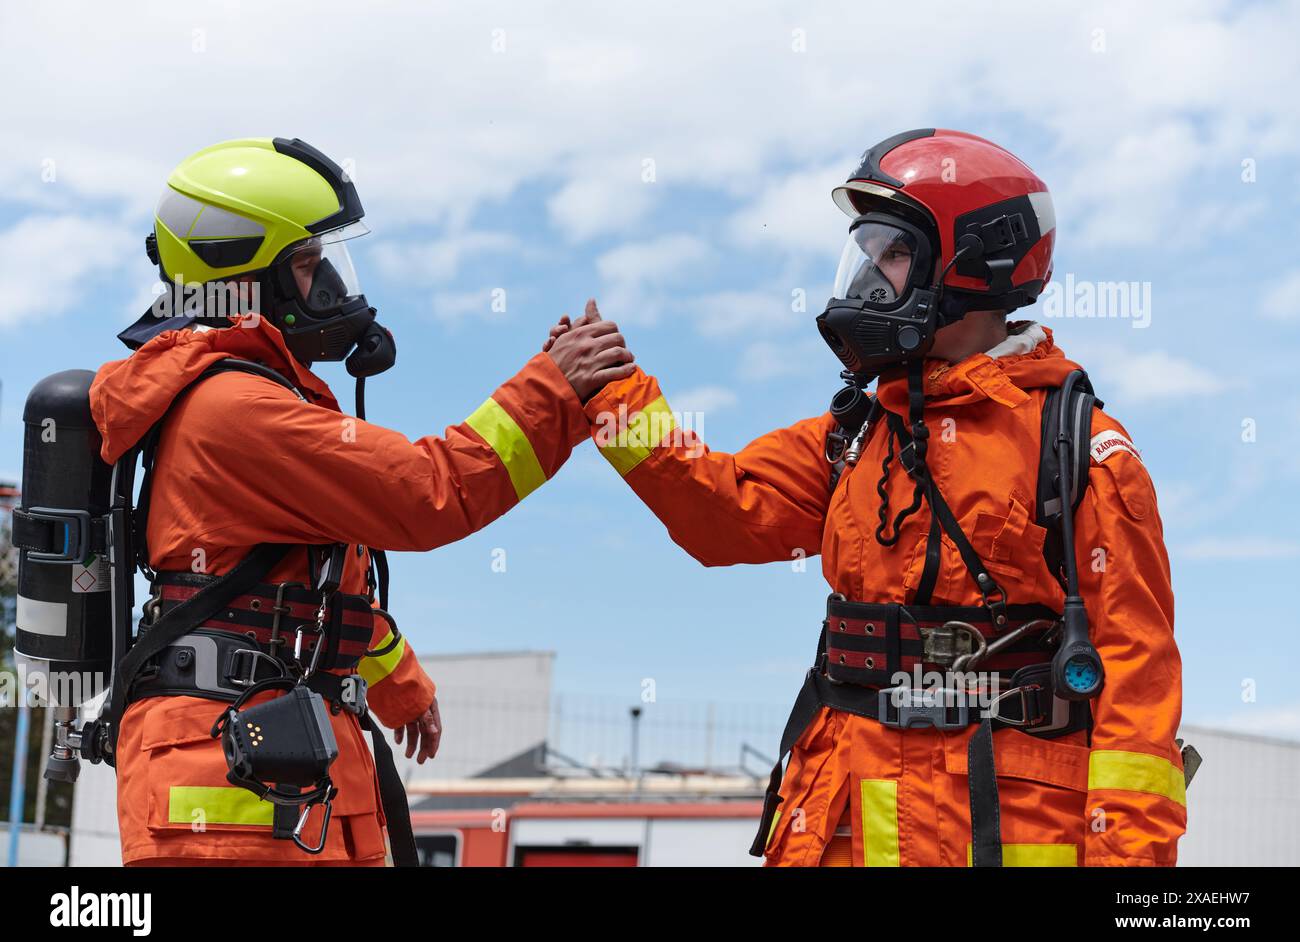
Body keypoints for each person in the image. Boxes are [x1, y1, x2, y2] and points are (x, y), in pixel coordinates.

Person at [550, 129, 1186, 867]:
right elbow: (723, 515)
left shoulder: (1080, 448)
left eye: (893, 254)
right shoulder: (855, 433)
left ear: (974, 265)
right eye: (866, 254)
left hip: (997, 833)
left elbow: (1137, 693)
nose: (867, 281)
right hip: (840, 823)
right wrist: (615, 399)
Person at [92, 137, 633, 865]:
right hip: (229, 792)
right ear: (248, 281)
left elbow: (306, 590)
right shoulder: (238, 409)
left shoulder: (251, 398)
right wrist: (551, 391)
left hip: (276, 757)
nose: (334, 291)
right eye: (310, 267)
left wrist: (397, 682)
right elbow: (427, 493)